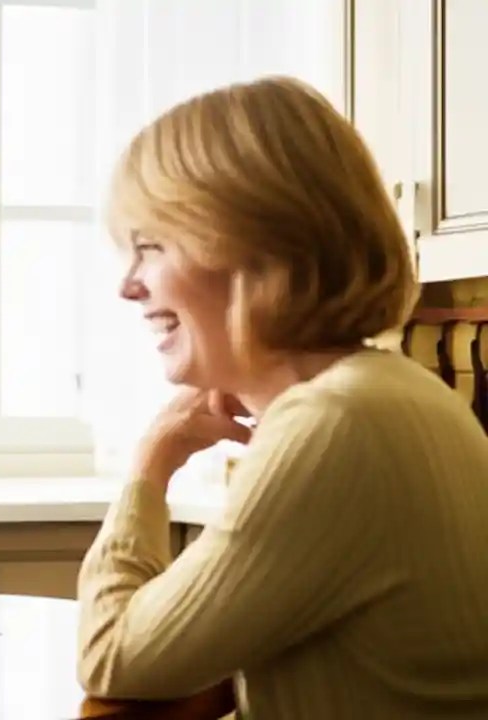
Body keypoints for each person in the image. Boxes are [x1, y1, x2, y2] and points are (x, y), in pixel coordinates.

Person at [76, 75, 488, 717]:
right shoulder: (394, 394)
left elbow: (113, 657)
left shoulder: (334, 424)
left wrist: (150, 462)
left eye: (150, 248)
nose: (128, 286)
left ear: (251, 243)